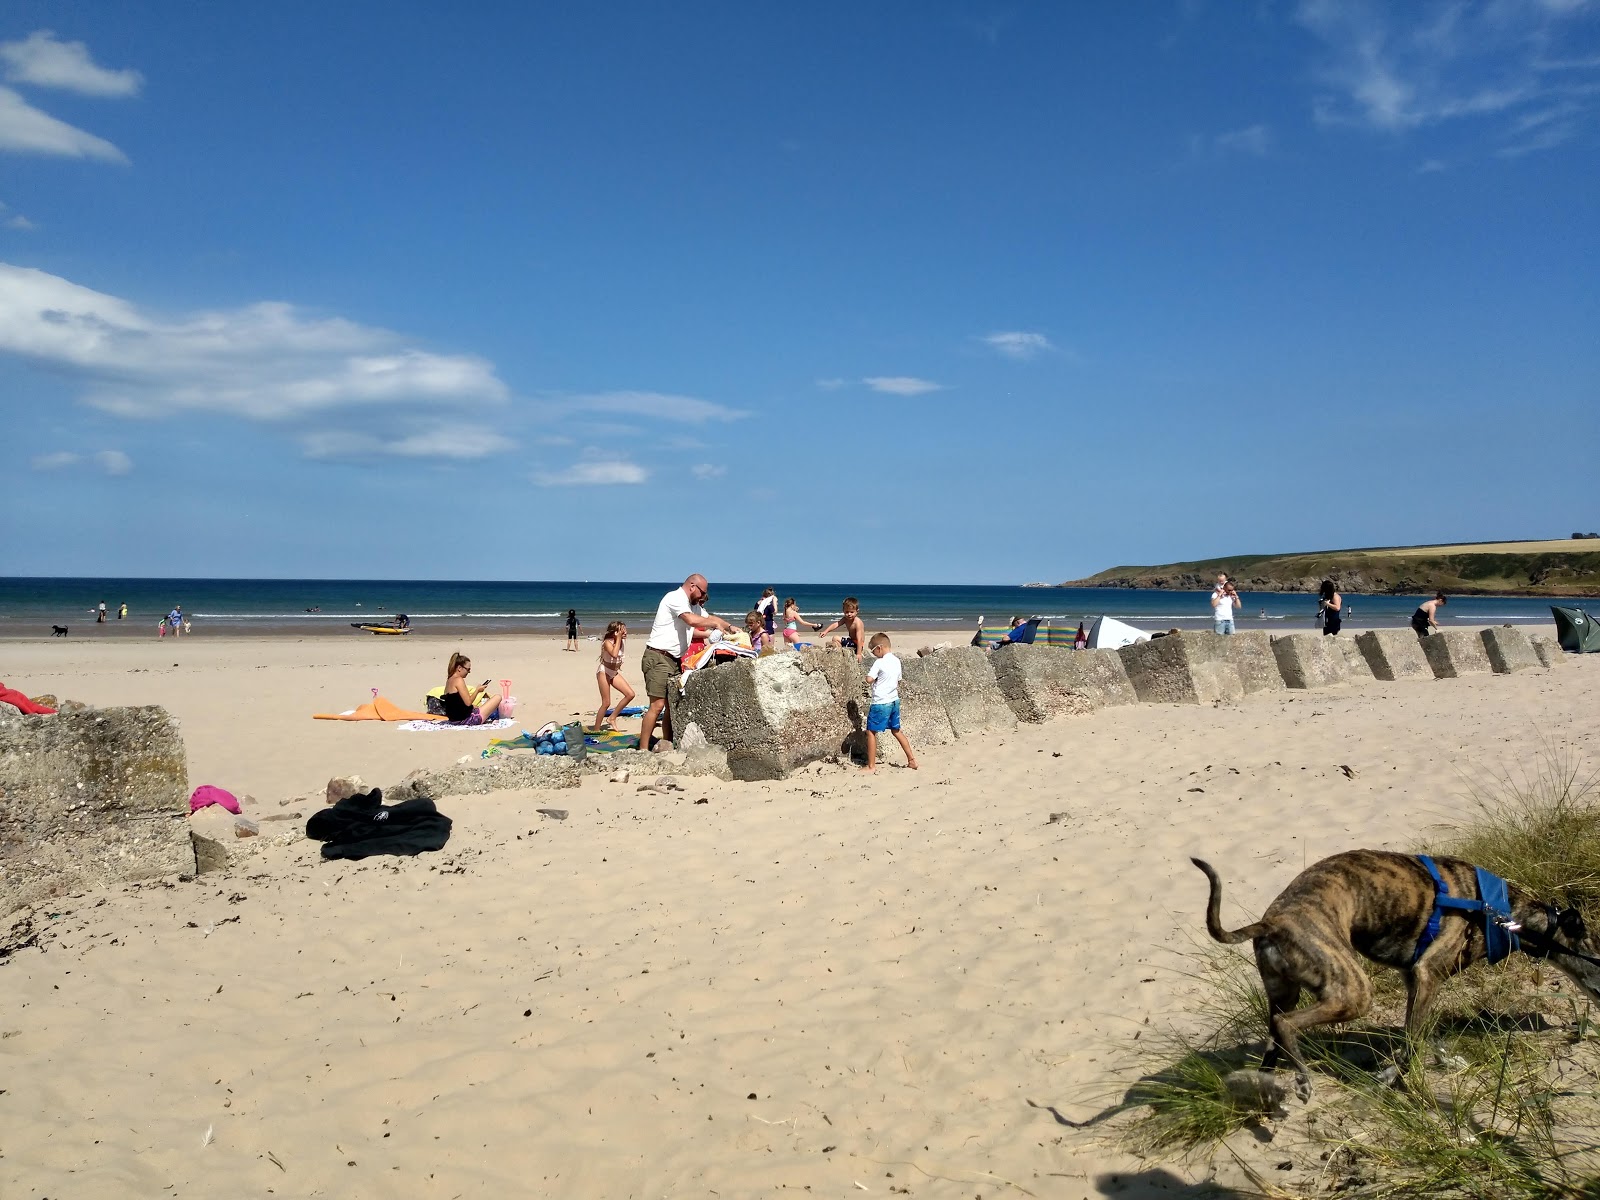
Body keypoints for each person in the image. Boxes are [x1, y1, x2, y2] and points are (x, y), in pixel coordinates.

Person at [639, 574, 735, 752]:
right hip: (658, 656)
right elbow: (691, 620)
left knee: (671, 706)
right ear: (692, 586)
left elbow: (709, 617)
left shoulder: (692, 605)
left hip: (674, 659)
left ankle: (667, 743)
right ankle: (643, 749)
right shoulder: (675, 598)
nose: (702, 596)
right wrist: (714, 624)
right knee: (657, 705)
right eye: (702, 592)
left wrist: (729, 627)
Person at [861, 633, 918, 774]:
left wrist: (868, 678)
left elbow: (869, 679)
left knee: (871, 732)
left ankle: (871, 766)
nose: (874, 655)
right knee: (896, 730)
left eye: (873, 651)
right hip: (894, 700)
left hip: (881, 702)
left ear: (879, 648)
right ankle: (911, 760)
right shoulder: (896, 661)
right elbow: (898, 680)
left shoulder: (879, 662)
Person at [594, 621, 635, 731]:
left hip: (614, 672)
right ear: (615, 632)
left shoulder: (622, 641)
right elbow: (614, 654)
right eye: (622, 630)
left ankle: (612, 718)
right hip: (604, 672)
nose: (625, 632)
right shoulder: (608, 642)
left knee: (630, 694)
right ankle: (596, 729)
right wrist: (618, 639)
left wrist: (620, 639)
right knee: (606, 702)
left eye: (625, 629)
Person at [443, 652, 502, 725]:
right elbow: (468, 702)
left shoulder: (449, 680)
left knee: (475, 706)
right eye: (468, 669)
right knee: (498, 697)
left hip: (453, 719)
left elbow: (456, 703)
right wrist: (477, 690)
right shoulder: (459, 680)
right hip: (466, 720)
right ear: (459, 668)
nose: (469, 672)